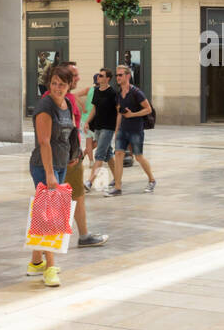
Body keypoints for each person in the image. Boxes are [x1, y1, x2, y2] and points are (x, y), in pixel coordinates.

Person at [29, 63, 78, 285]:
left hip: (60, 164)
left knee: (45, 213)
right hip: (44, 166)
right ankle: (50, 269)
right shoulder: (45, 106)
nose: (57, 87)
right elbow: (44, 142)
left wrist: (73, 154)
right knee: (51, 216)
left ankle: (36, 262)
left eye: (62, 84)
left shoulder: (66, 103)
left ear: (70, 85)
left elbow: (70, 133)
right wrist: (49, 173)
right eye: (54, 83)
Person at [60, 63, 108, 250]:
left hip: (73, 157)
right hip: (61, 160)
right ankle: (40, 257)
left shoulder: (70, 98)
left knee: (78, 196)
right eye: (75, 75)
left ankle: (84, 235)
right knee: (54, 202)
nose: (79, 78)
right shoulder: (54, 100)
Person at [106, 65, 155, 195]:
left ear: (128, 76)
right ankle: (117, 187)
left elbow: (148, 109)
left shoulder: (136, 92)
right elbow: (119, 113)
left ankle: (152, 180)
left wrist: (132, 114)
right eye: (117, 75)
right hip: (123, 129)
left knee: (138, 157)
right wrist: (116, 129)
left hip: (135, 130)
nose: (117, 77)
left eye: (120, 75)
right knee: (118, 155)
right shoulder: (119, 94)